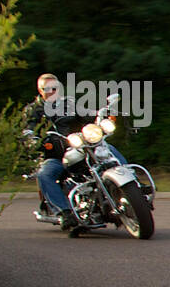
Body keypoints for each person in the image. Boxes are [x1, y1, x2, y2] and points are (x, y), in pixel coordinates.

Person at [23, 73, 129, 234]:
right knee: (44, 173)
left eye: (55, 88)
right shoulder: (33, 110)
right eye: (47, 89)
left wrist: (102, 114)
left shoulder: (69, 104)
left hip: (79, 148)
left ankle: (131, 182)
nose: (52, 91)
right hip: (55, 155)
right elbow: (28, 128)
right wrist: (31, 138)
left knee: (107, 148)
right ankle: (64, 212)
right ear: (40, 90)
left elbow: (87, 113)